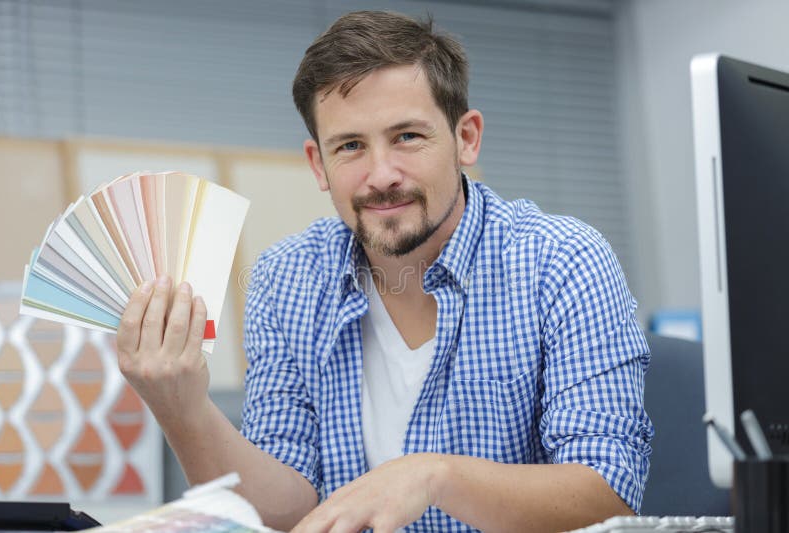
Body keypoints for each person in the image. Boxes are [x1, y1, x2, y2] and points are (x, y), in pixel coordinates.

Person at [116, 10, 653, 533]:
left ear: (466, 138)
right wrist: (183, 409)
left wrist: (433, 476)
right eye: (350, 146)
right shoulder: (286, 279)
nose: (381, 175)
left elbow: (606, 494)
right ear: (317, 164)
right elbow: (285, 510)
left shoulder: (562, 262)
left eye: (408, 137)